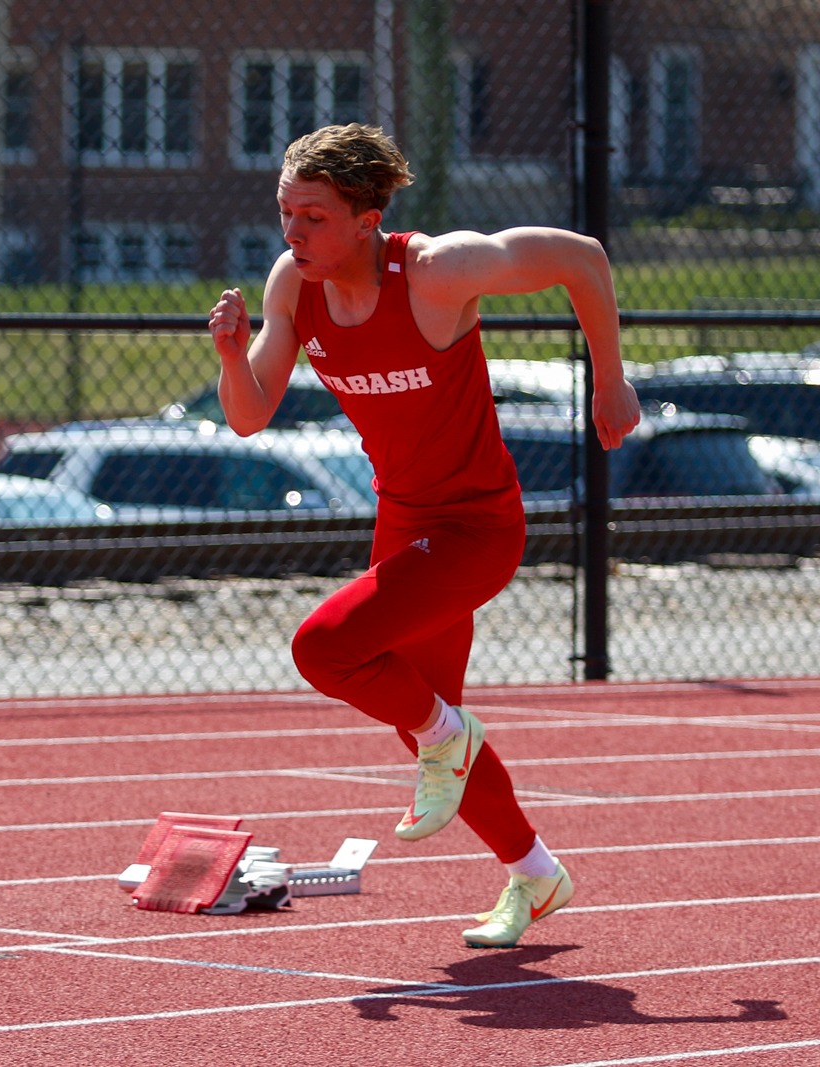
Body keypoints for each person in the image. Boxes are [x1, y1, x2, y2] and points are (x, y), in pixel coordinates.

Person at [207, 124, 642, 948]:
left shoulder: (439, 271)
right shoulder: (292, 285)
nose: (293, 233)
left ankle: (450, 739)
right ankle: (538, 875)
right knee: (430, 724)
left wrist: (610, 379)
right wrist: (233, 355)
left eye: (314, 217)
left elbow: (582, 256)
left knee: (324, 649)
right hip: (403, 521)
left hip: (477, 527)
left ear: (368, 219)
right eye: (285, 212)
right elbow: (248, 413)